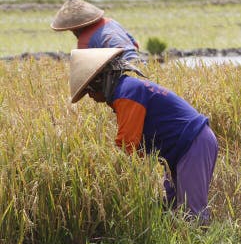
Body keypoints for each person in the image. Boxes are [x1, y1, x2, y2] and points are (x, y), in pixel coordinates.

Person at [69, 47, 218, 224]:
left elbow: (128, 145)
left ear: (102, 82)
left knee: (192, 214)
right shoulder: (127, 90)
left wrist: (110, 179)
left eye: (90, 90)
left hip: (193, 143)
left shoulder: (127, 93)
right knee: (170, 207)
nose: (91, 97)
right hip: (178, 150)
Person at [52, 0, 140, 62]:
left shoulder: (84, 40)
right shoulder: (111, 21)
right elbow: (135, 45)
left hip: (122, 70)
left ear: (76, 29)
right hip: (139, 63)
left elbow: (84, 69)